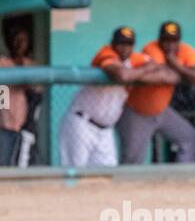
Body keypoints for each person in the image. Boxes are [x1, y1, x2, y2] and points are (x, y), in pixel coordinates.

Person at [57, 26, 177, 169]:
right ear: (113, 44)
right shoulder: (106, 53)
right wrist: (145, 70)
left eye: (129, 44)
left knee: (107, 176)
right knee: (74, 176)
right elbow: (123, 75)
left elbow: (169, 75)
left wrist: (138, 72)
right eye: (121, 44)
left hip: (105, 130)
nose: (125, 48)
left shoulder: (134, 59)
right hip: (82, 123)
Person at [118, 21, 195, 165]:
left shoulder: (185, 50)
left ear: (179, 41)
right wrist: (185, 73)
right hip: (137, 112)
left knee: (191, 140)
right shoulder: (151, 49)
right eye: (166, 41)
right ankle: (125, 188)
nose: (170, 45)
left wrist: (176, 65)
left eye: (174, 41)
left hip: (162, 111)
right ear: (159, 39)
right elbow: (164, 77)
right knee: (132, 160)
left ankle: (180, 180)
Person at [0, 27, 39, 167]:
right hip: (4, 120)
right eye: (16, 40)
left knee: (21, 160)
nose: (19, 43)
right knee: (3, 160)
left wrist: (23, 82)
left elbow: (37, 89)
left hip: (24, 122)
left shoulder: (31, 65)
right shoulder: (2, 62)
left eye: (23, 40)